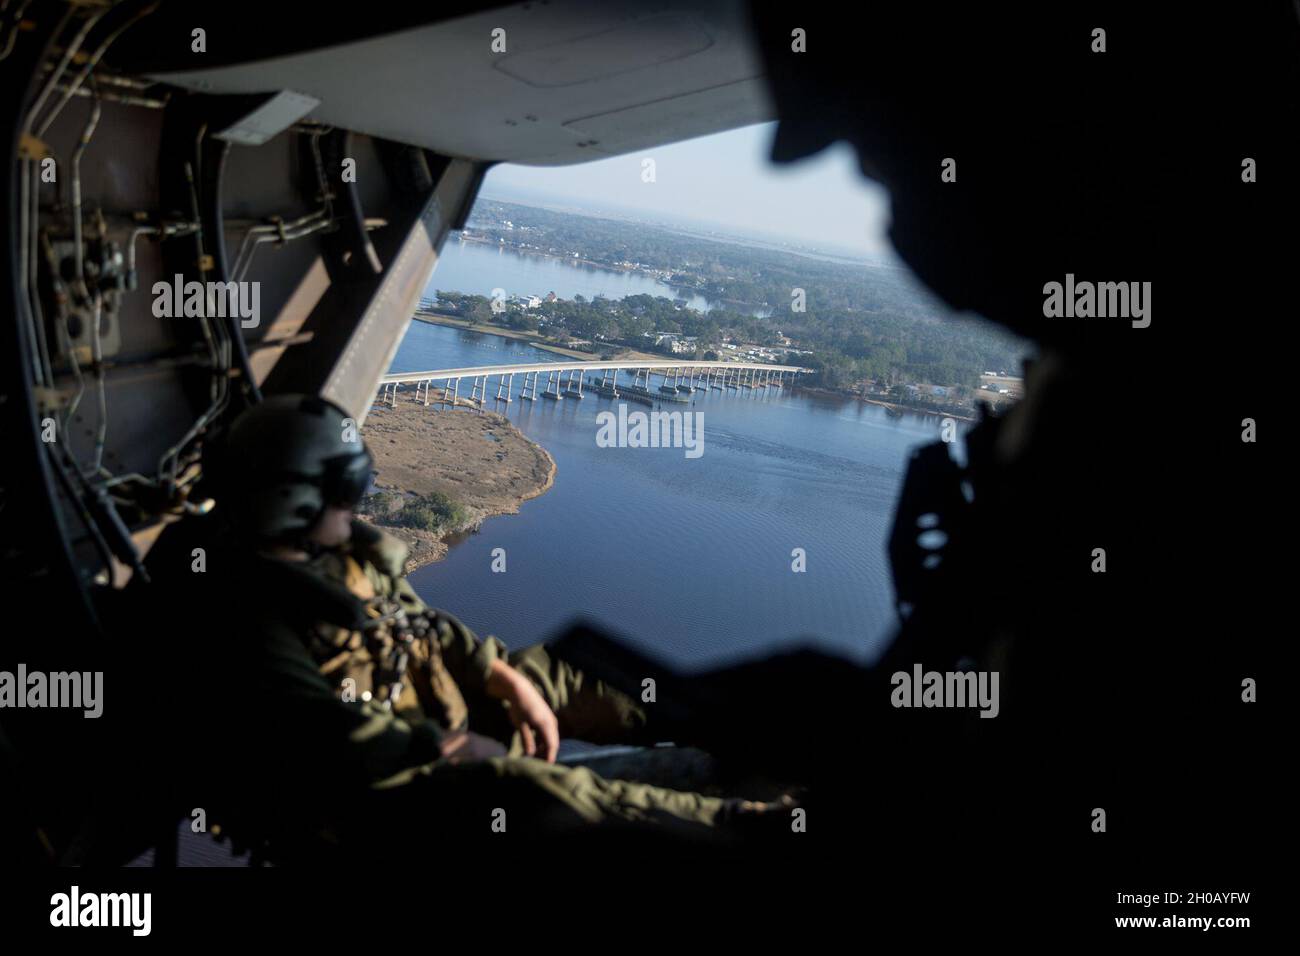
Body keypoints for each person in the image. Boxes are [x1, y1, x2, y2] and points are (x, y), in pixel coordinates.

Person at [155, 394, 774, 858]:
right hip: (379, 786)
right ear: (297, 505)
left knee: (570, 671)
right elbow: (321, 734)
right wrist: (452, 749)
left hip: (429, 710)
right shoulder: (240, 612)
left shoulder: (342, 555)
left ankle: (749, 727)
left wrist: (499, 674)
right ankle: (742, 826)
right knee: (527, 787)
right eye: (348, 491)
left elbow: (419, 627)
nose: (357, 503)